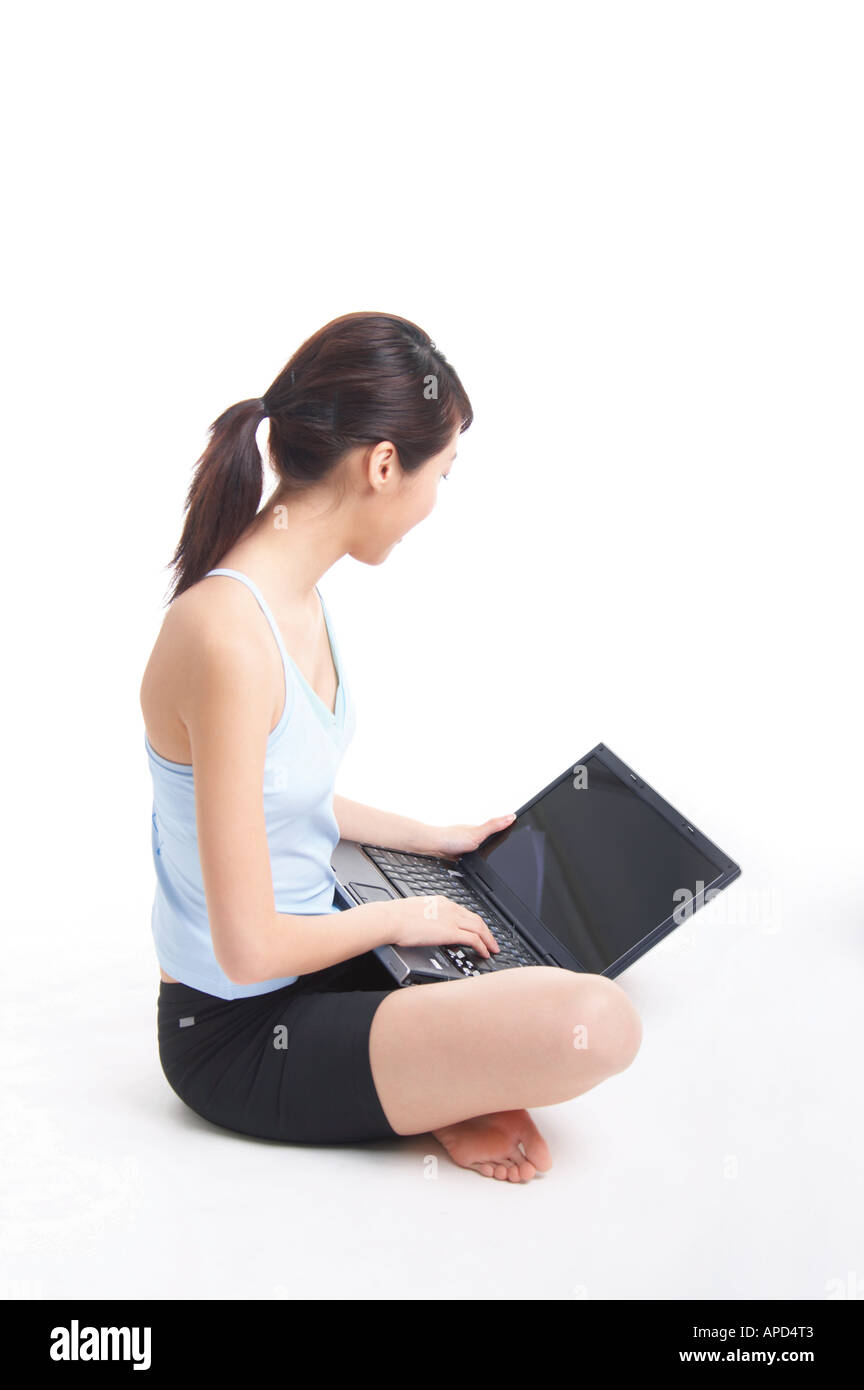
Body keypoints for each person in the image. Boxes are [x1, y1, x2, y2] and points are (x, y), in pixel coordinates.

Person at [140, 310, 642, 1182]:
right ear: (383, 466)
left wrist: (428, 840)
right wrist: (402, 916)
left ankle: (426, 1081)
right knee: (601, 1024)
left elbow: (275, 797)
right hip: (241, 1033)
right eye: (441, 473)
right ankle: (431, 1086)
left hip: (331, 958)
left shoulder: (293, 595)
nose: (434, 501)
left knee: (548, 964)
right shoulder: (226, 636)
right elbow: (249, 951)